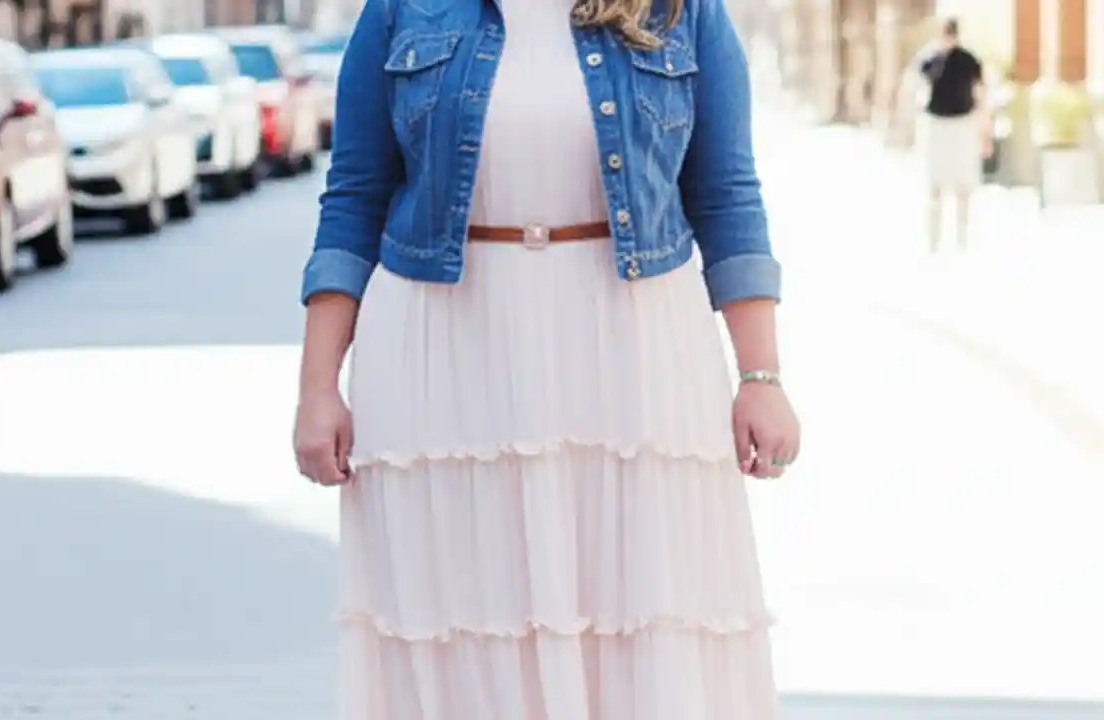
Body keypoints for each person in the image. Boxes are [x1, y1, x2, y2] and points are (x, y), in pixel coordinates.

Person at [292, 0, 800, 715]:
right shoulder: (404, 9)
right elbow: (353, 196)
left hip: (632, 344)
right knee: (466, 618)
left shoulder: (679, 9)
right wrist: (319, 387)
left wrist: (761, 376)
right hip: (446, 348)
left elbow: (726, 193)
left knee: (642, 610)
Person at [918, 17, 992, 252]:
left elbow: (980, 95)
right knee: (935, 186)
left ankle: (962, 239)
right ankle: (934, 242)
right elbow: (918, 91)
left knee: (963, 186)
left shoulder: (968, 61)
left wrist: (985, 131)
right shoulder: (930, 60)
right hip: (937, 124)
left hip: (962, 124)